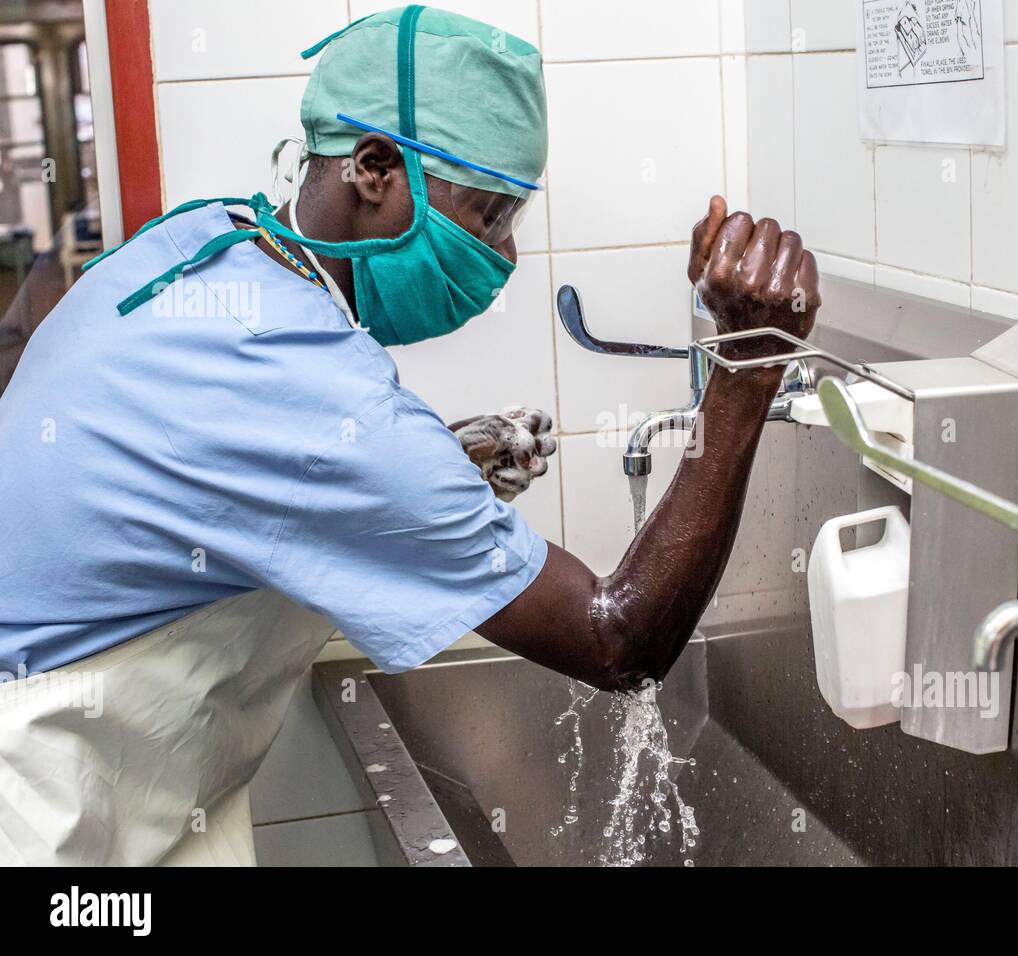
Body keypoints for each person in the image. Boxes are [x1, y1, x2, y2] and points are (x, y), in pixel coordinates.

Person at [0, 6, 819, 863]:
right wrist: (749, 370)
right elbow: (619, 639)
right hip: (46, 817)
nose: (502, 254)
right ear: (374, 167)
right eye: (487, 215)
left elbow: (239, 483)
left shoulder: (207, 243)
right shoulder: (309, 392)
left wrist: (434, 461)